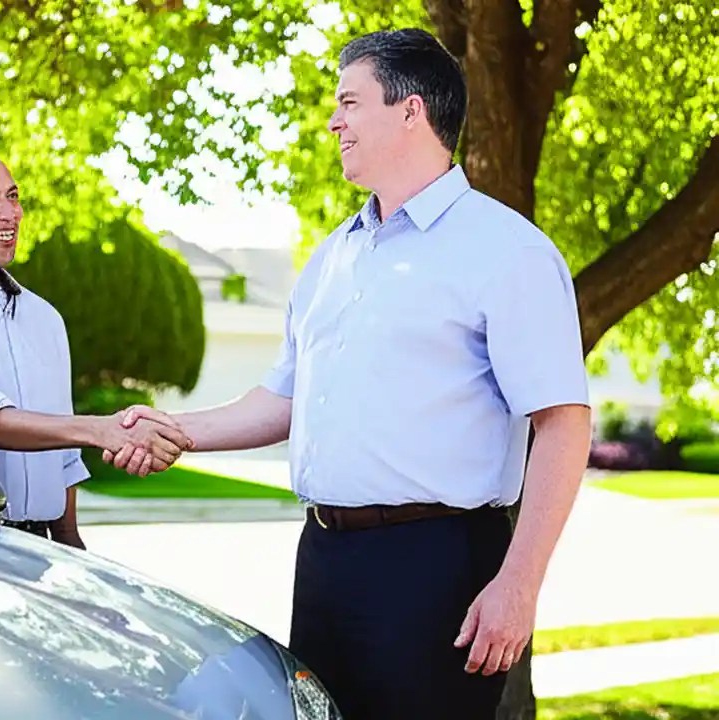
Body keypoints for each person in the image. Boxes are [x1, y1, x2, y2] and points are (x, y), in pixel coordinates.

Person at [109, 28, 592, 719]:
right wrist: (173, 430)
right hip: (326, 562)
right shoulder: (333, 257)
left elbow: (563, 423)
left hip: (438, 567)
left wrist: (520, 583)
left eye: (349, 102)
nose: (334, 121)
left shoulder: (507, 250)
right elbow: (283, 398)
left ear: (410, 110)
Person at [0, 142, 190, 549]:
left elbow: (63, 457)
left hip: (42, 550)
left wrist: (70, 542)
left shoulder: (44, 318)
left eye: (12, 196)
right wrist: (99, 430)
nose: (10, 213)